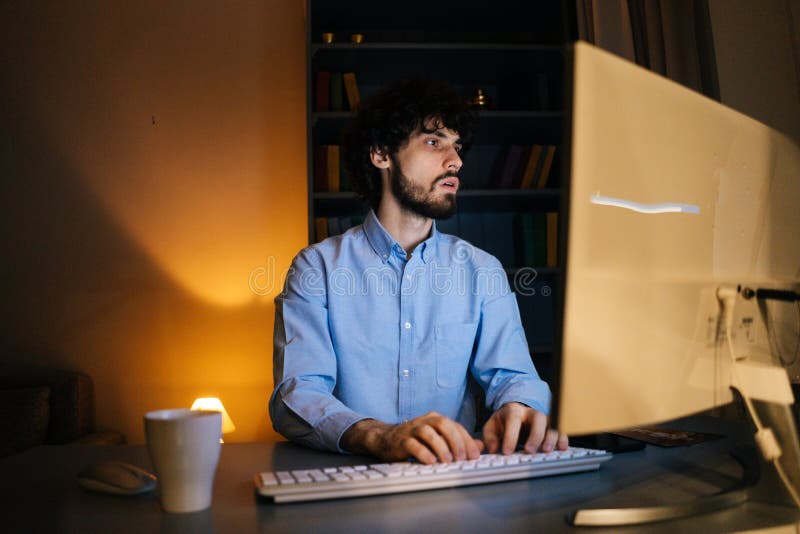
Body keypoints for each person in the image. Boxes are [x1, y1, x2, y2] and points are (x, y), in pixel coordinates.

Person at [270, 77, 567, 465]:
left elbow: (515, 376)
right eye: (434, 141)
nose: (455, 160)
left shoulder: (482, 270)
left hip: (455, 481)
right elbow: (297, 394)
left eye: (457, 146)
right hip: (348, 482)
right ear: (381, 154)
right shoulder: (317, 268)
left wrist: (519, 407)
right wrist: (380, 435)